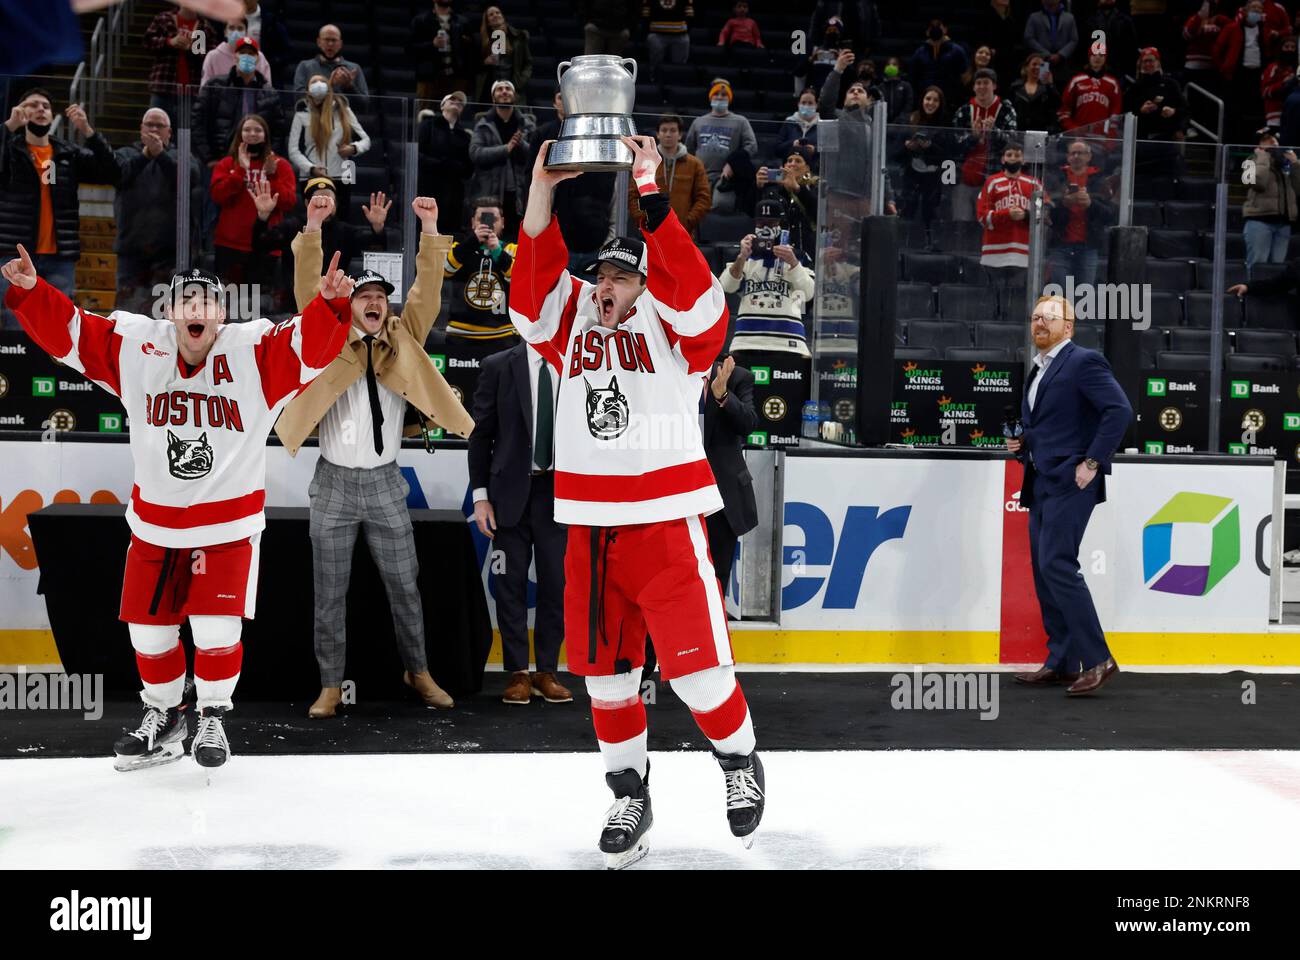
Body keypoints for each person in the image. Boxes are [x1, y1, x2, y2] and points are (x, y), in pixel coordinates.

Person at [511, 136, 764, 867]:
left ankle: (739, 763)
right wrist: (541, 190)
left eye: (621, 276)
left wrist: (653, 195)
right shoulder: (572, 328)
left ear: (645, 286)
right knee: (607, 678)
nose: (605, 287)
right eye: (600, 276)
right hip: (590, 526)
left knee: (696, 672)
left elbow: (700, 299)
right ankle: (629, 791)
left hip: (662, 519)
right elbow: (531, 295)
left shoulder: (674, 328)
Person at [2, 246, 355, 771]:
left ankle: (211, 715)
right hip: (154, 526)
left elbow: (310, 348)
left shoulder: (253, 351)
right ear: (170, 313)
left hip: (226, 525)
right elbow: (74, 334)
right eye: (185, 300)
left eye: (207, 301)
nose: (196, 309)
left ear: (221, 314)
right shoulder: (137, 345)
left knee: (216, 629)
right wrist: (33, 292)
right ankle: (164, 717)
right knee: (148, 632)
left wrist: (328, 306)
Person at [274, 195, 470, 718]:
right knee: (329, 594)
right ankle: (331, 685)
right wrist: (312, 228)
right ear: (350, 304)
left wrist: (430, 229)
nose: (375, 300)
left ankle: (419, 671)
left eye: (381, 294)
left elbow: (426, 293)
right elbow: (304, 291)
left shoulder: (403, 338)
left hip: (386, 484)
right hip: (333, 484)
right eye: (364, 295)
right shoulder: (327, 339)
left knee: (406, 587)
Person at [1006, 295, 1131, 697]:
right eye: (1036, 317)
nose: (1040, 322)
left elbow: (1119, 411)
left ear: (1069, 327)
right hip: (1041, 479)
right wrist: (1025, 442)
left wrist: (1092, 463)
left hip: (1071, 480)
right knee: (1045, 570)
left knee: (1057, 564)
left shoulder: (1083, 361)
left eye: (1049, 317)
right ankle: (1061, 661)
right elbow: (1052, 423)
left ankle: (1099, 659)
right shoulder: (1039, 368)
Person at [468, 340, 573, 706]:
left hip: (559, 494)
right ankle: (516, 672)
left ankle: (546, 670)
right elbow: (480, 434)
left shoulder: (576, 363)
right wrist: (480, 496)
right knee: (509, 585)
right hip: (507, 494)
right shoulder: (498, 365)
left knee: (556, 585)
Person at [0, 89, 118, 330]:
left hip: (59, 258)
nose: (40, 109)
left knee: (56, 325)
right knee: (16, 325)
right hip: (17, 255)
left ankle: (50, 370)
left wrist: (88, 132)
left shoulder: (67, 153)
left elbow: (112, 171)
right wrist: (9, 126)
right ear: (20, 111)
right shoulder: (9, 152)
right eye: (32, 105)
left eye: (45, 105)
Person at [113, 109, 206, 316]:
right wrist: (146, 155)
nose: (154, 130)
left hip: (169, 254)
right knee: (128, 313)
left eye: (159, 126)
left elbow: (190, 177)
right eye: (149, 125)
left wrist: (160, 155)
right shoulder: (125, 154)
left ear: (169, 132)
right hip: (131, 251)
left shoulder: (182, 155)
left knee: (165, 314)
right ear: (141, 129)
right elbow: (118, 174)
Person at [210, 113, 296, 284]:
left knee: (260, 306)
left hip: (266, 244)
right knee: (229, 304)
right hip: (230, 244)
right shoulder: (227, 164)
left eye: (258, 130)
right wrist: (240, 171)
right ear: (239, 134)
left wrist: (272, 177)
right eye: (247, 129)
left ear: (265, 135)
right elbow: (218, 196)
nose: (252, 133)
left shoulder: (280, 165)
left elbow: (289, 202)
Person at [193, 39, 286, 168]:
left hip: (258, 162)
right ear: (234, 57)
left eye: (251, 54)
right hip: (221, 159)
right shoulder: (215, 86)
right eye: (242, 53)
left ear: (257, 58)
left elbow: (278, 131)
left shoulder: (270, 93)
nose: (246, 57)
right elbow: (199, 123)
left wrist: (270, 157)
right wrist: (208, 158)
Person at [443, 197, 520, 353]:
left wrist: (498, 252)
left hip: (503, 333)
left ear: (503, 222)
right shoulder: (459, 248)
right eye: (481, 219)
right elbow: (444, 270)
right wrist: (472, 242)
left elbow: (518, 278)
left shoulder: (513, 249)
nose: (488, 224)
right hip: (461, 333)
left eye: (494, 219)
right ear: (473, 223)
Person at [288, 73, 370, 218]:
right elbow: (293, 150)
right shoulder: (301, 113)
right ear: (308, 89)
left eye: (322, 81)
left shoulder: (343, 110)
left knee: (342, 218)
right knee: (314, 219)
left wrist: (353, 148)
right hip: (311, 175)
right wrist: (311, 168)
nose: (318, 83)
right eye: (314, 81)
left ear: (328, 87)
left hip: (343, 173)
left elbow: (366, 140)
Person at [468, 80, 536, 238]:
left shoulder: (527, 124)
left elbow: (536, 155)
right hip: (490, 194)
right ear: (493, 97)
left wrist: (521, 144)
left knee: (518, 240)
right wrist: (506, 149)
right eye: (499, 89)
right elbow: (475, 153)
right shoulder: (483, 123)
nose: (504, 92)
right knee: (488, 239)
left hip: (520, 194)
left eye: (508, 89)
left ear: (514, 95)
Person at [627, 114, 711, 239]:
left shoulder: (694, 164)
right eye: (664, 130)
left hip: (683, 233)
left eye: (673, 130)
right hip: (651, 232)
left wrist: (688, 222)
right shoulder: (646, 162)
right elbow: (633, 195)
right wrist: (644, 220)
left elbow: (703, 198)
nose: (668, 134)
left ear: (680, 135)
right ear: (658, 134)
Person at [951, 68, 1019, 222]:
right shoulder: (963, 111)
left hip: (995, 176)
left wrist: (994, 132)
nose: (981, 87)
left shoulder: (1007, 110)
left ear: (994, 86)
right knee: (962, 223)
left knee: (991, 220)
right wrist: (973, 137)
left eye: (986, 83)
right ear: (974, 87)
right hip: (965, 177)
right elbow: (955, 145)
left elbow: (1012, 144)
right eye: (978, 83)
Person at [1046, 140, 1113, 290]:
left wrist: (1091, 204)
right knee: (1059, 293)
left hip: (1088, 246)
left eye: (1080, 153)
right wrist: (1063, 204)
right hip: (1060, 245)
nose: (1076, 156)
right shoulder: (1055, 178)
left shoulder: (1101, 180)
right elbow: (1046, 211)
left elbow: (1109, 215)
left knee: (1085, 294)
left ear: (1089, 156)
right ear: (1068, 157)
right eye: (1072, 153)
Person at [976, 142, 1041, 291]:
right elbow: (981, 216)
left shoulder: (1035, 184)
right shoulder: (992, 182)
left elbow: (1043, 212)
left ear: (1024, 160)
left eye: (1017, 155)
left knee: (1016, 303)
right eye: (1009, 155)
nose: (1013, 158)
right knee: (993, 302)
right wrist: (1006, 214)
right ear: (1002, 159)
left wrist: (1026, 215)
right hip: (993, 254)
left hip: (1023, 255)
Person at [144, 4, 220, 119]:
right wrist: (169, 42)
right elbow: (147, 42)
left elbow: (211, 57)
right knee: (157, 127)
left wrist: (192, 48)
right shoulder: (164, 18)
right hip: (163, 88)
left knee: (187, 133)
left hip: (191, 91)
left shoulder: (204, 27)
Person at [1242, 128, 1300, 275]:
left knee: (1277, 269)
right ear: (1258, 145)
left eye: (1274, 138)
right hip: (1259, 221)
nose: (1273, 141)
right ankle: (1253, 296)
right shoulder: (1249, 161)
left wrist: (1295, 164)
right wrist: (1262, 158)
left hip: (1284, 223)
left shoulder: (1285, 164)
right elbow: (1255, 183)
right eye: (1267, 139)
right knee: (1257, 265)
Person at [683, 79, 758, 191]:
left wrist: (733, 164)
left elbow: (752, 146)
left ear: (729, 98)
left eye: (724, 94)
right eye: (716, 94)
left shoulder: (740, 121)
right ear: (710, 97)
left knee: (721, 206)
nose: (719, 97)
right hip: (700, 177)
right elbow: (688, 149)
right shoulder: (698, 121)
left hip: (727, 178)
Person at [898, 86, 949, 245]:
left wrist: (930, 147)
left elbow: (948, 155)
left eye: (935, 100)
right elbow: (895, 151)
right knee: (908, 210)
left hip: (933, 178)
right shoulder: (910, 119)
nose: (931, 103)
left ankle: (931, 243)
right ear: (922, 100)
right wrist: (907, 146)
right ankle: (903, 243)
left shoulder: (946, 122)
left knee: (930, 212)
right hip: (911, 175)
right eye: (928, 99)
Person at [417, 92, 473, 235]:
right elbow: (418, 155)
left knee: (450, 230)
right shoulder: (428, 125)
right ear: (442, 106)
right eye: (452, 99)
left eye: (460, 101)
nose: (456, 101)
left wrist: (457, 168)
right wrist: (441, 164)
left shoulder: (464, 135)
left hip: (453, 193)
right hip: (429, 187)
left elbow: (468, 168)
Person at [410, 0, 469, 106]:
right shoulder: (420, 21)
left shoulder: (462, 21)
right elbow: (410, 49)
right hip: (428, 78)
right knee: (425, 115)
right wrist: (432, 44)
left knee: (454, 116)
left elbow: (470, 51)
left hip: (456, 78)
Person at [292, 24, 370, 100]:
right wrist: (330, 84)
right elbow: (299, 99)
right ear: (319, 42)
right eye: (326, 40)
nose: (330, 44)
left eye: (334, 40)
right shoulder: (305, 66)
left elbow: (365, 107)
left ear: (340, 44)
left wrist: (349, 86)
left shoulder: (354, 68)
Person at [474, 6, 533, 104]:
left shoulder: (519, 37)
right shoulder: (480, 41)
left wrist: (519, 83)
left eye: (498, 12)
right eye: (491, 14)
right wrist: (484, 63)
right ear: (487, 22)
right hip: (489, 90)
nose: (495, 15)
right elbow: (472, 65)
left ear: (503, 16)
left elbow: (528, 63)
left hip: (513, 88)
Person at [1058, 47, 1123, 134]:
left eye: (1101, 55)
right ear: (1089, 57)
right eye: (1094, 54)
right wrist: (1073, 128)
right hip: (1078, 136)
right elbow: (1064, 110)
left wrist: (1110, 136)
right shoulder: (1076, 80)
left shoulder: (1112, 83)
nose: (1097, 57)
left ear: (1105, 58)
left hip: (1102, 137)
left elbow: (1116, 112)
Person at [909, 18, 969, 108]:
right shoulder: (919, 53)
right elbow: (913, 78)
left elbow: (965, 77)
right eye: (932, 27)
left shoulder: (957, 51)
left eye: (938, 27)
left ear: (945, 29)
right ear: (927, 32)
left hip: (950, 102)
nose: (935, 30)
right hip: (926, 102)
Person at [1086, 0, 1137, 95]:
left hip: (1121, 70)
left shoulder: (1126, 21)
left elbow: (1132, 48)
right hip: (1097, 69)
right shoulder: (1090, 21)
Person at [200, 17, 272, 85]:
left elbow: (267, 89)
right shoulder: (213, 56)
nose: (236, 32)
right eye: (231, 28)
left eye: (240, 29)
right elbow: (205, 88)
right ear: (225, 32)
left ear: (246, 33)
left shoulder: (258, 57)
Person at [1023, 0, 1079, 86]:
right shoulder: (1034, 17)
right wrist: (1046, 54)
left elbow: (1074, 39)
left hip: (1063, 63)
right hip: (1042, 62)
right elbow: (1029, 38)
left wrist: (1061, 54)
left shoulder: (1069, 18)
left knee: (1062, 90)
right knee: (1043, 88)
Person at [1010, 52, 1061, 134]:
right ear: (1026, 67)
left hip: (1042, 132)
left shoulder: (1048, 88)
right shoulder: (1015, 87)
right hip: (1019, 131)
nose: (1037, 67)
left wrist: (1050, 85)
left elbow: (1056, 105)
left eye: (1041, 65)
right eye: (1034, 64)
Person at [643, 0, 694, 82]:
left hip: (680, 36)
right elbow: (645, 16)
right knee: (655, 66)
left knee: (679, 68)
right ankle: (653, 81)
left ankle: (676, 84)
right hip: (657, 35)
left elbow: (690, 15)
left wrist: (683, 30)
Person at [976, 0, 1023, 86]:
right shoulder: (985, 16)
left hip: (1009, 61)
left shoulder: (1011, 19)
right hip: (993, 61)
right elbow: (980, 40)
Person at [1262, 34, 1298, 128]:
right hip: (1275, 115)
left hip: (1294, 113)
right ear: (1281, 48)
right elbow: (1265, 92)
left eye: (1293, 47)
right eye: (1286, 47)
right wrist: (1283, 83)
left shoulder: (1297, 69)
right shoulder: (1273, 67)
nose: (1290, 49)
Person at [775, 88, 820, 161]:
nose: (806, 106)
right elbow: (777, 150)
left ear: (817, 105)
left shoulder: (823, 124)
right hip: (790, 168)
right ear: (798, 104)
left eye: (810, 103)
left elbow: (830, 151)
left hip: (815, 169)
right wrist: (792, 144)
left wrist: (815, 150)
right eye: (803, 102)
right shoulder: (789, 122)